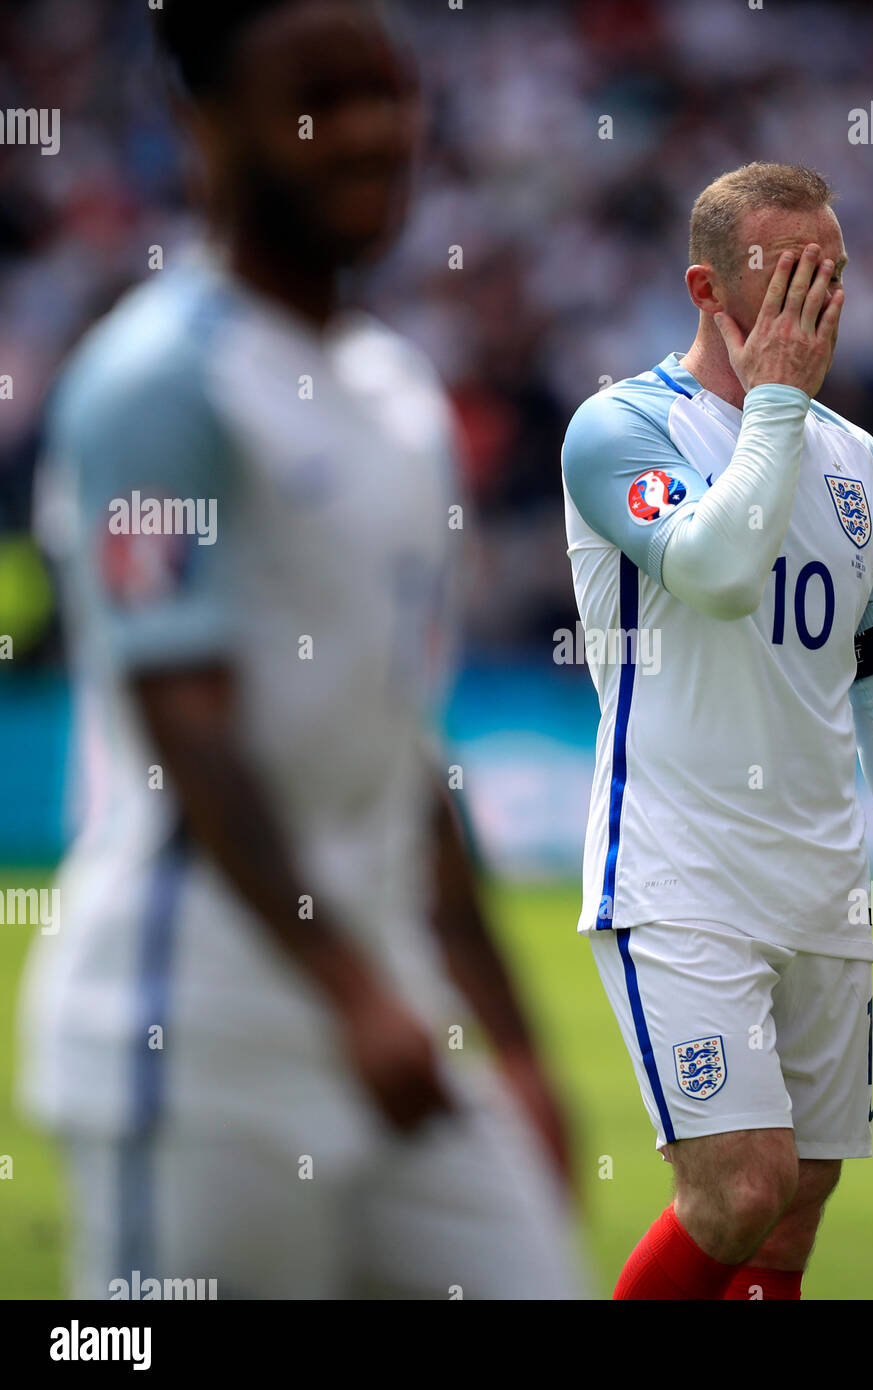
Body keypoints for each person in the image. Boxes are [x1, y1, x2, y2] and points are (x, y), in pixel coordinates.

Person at [19, 0, 586, 1300]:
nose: (372, 131)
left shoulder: (398, 391)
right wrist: (349, 986)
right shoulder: (158, 382)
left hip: (386, 1023)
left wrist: (509, 1045)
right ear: (205, 129)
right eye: (319, 99)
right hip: (197, 1029)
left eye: (388, 92)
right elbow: (185, 717)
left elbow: (403, 752)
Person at [560, 162, 873, 1301]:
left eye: (834, 274)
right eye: (789, 273)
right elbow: (711, 568)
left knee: (792, 1214)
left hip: (819, 881)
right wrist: (774, 407)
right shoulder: (620, 428)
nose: (819, 300)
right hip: (676, 873)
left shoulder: (857, 463)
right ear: (707, 287)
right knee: (735, 1188)